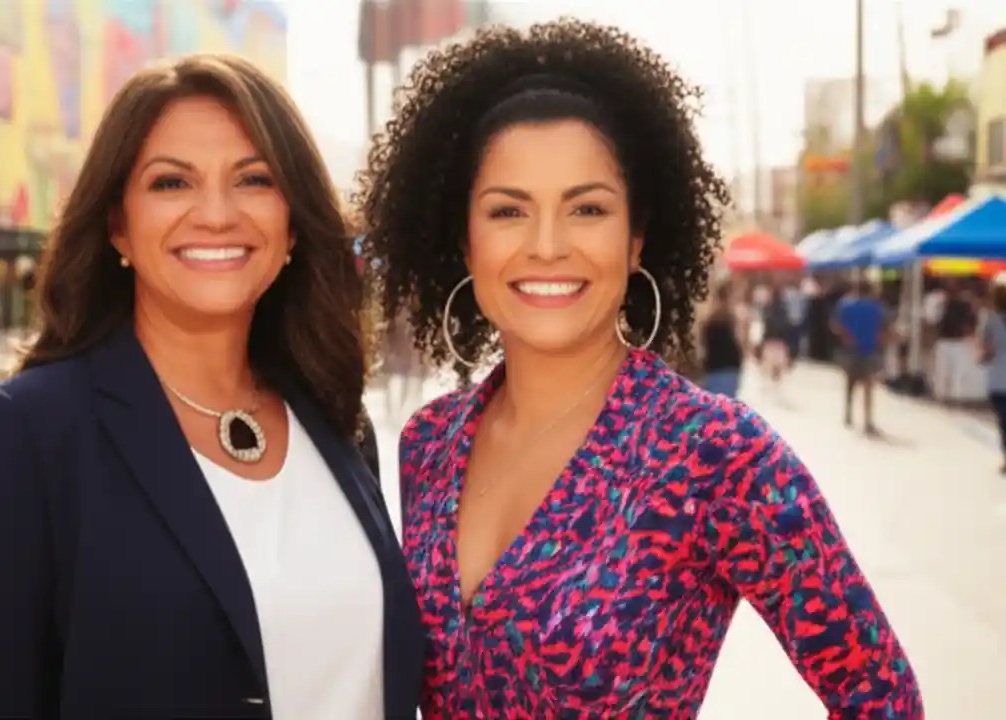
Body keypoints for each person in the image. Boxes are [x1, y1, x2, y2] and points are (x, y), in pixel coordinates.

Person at [356, 20, 922, 718]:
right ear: (466, 243)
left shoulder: (714, 454)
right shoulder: (429, 443)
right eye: (508, 211)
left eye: (587, 208)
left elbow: (881, 696)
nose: (547, 245)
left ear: (636, 240)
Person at [0, 55, 423, 720]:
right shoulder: (24, 434)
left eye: (254, 179)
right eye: (171, 183)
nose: (215, 214)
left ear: (293, 226)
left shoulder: (339, 422)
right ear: (117, 225)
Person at [833, 280, 888, 435]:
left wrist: (847, 336)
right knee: (868, 386)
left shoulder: (845, 305)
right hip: (870, 349)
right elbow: (882, 328)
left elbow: (837, 326)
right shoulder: (876, 307)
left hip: (850, 348)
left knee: (850, 383)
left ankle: (848, 414)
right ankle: (868, 421)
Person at [979, 282, 1006, 473]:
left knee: (1003, 422)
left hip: (998, 380)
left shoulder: (990, 320)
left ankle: (1005, 458)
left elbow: (985, 350)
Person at [700, 281, 744, 398]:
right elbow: (740, 341)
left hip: (714, 367)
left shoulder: (708, 318)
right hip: (729, 367)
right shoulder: (732, 317)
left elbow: (703, 344)